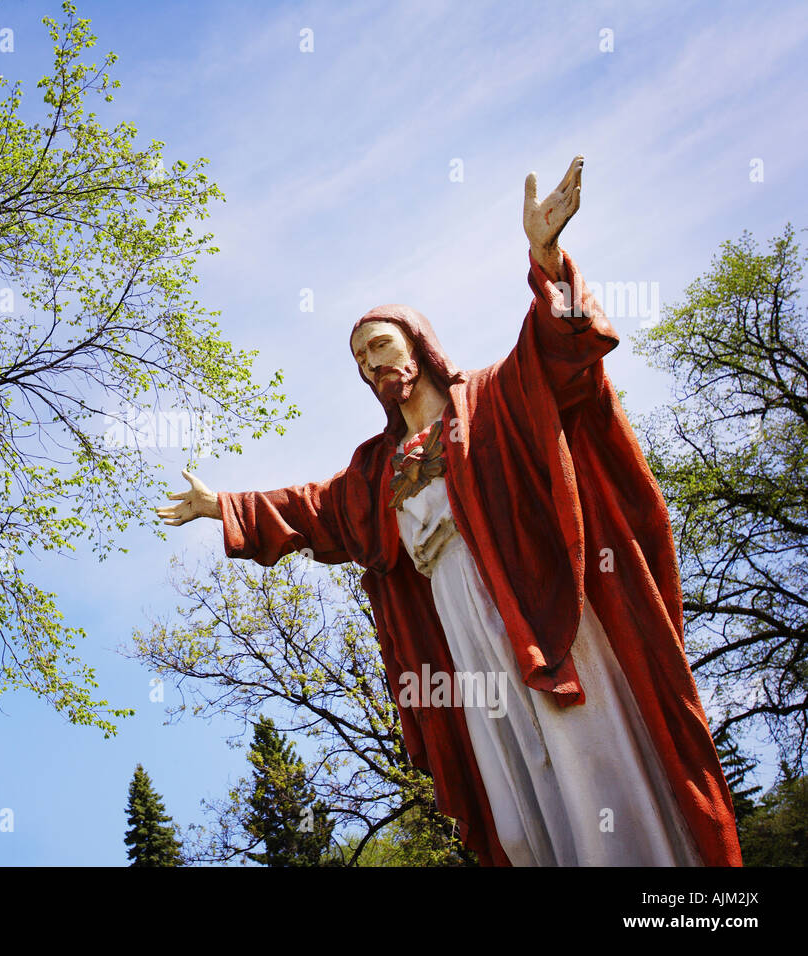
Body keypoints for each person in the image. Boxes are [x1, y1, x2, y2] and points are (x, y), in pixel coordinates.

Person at [157, 156, 742, 866]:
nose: (374, 364)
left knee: (585, 753)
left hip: (533, 601)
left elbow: (560, 351)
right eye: (361, 361)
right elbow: (310, 510)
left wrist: (546, 258)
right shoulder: (374, 471)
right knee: (518, 795)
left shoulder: (492, 399)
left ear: (416, 343)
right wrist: (222, 505)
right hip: (460, 631)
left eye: (380, 345)